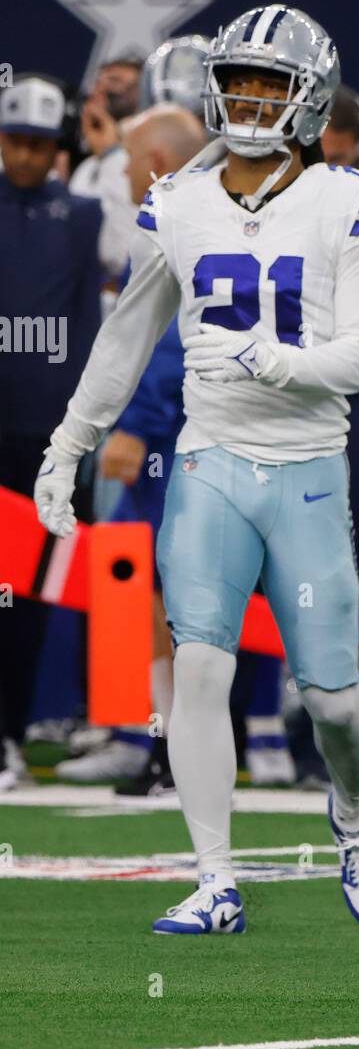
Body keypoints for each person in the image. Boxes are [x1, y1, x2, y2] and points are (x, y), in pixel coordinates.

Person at [34, 4, 359, 933]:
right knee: (197, 665)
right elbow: (124, 340)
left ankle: (353, 816)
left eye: (273, 83)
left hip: (309, 464)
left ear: (309, 97)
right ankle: (215, 876)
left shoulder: (348, 199)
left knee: (334, 699)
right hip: (209, 460)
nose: (251, 98)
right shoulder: (177, 201)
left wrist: (282, 364)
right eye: (239, 79)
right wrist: (68, 443)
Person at [55, 105, 207, 788]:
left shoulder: (182, 220)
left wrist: (139, 422)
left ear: (155, 164)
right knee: (145, 583)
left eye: (128, 161)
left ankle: (169, 743)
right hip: (191, 431)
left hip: (178, 436)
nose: (120, 175)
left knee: (154, 585)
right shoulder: (196, 214)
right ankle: (159, 740)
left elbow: (171, 340)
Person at [0, 77, 103, 792]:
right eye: (14, 141)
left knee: (24, 597)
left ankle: (10, 736)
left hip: (42, 437)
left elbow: (93, 327)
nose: (25, 155)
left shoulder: (85, 216)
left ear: (57, 147)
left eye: (38, 143)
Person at [69, 58, 144, 284]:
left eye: (115, 81)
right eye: (98, 81)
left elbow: (128, 251)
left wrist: (112, 153)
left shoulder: (152, 161)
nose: (101, 89)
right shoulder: (87, 166)